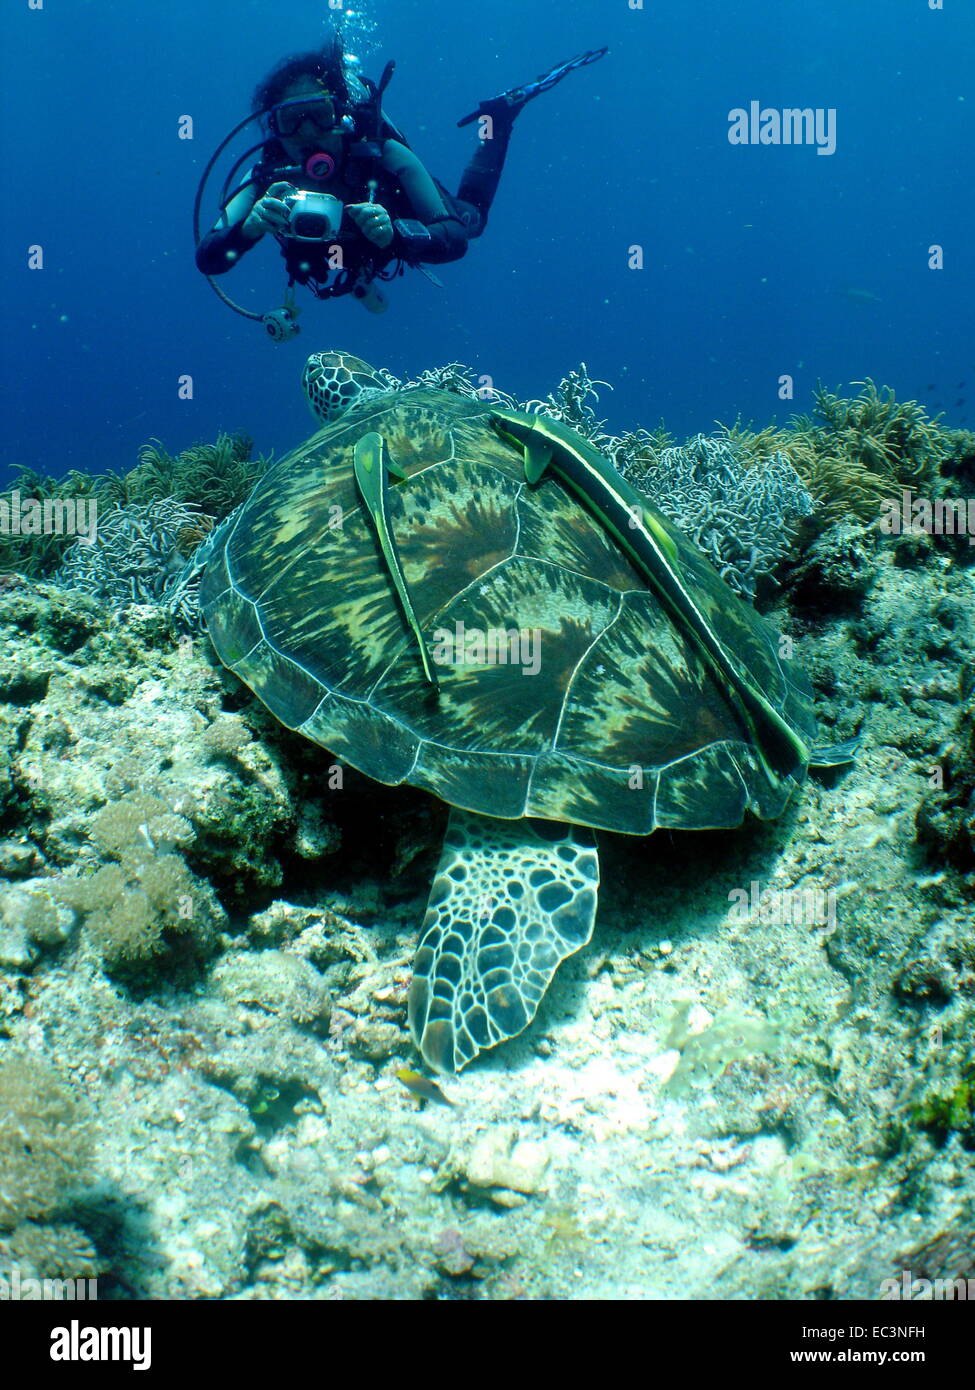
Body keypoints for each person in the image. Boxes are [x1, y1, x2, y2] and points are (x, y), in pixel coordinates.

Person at [195, 35, 606, 310]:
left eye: (319, 116)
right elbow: (210, 260)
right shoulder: (264, 177)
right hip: (346, 267)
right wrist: (247, 230)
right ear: (273, 129)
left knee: (472, 219)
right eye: (290, 121)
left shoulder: (383, 153)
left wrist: (399, 232)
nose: (308, 135)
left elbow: (456, 240)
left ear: (340, 115)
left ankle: (497, 120)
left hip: (399, 220)